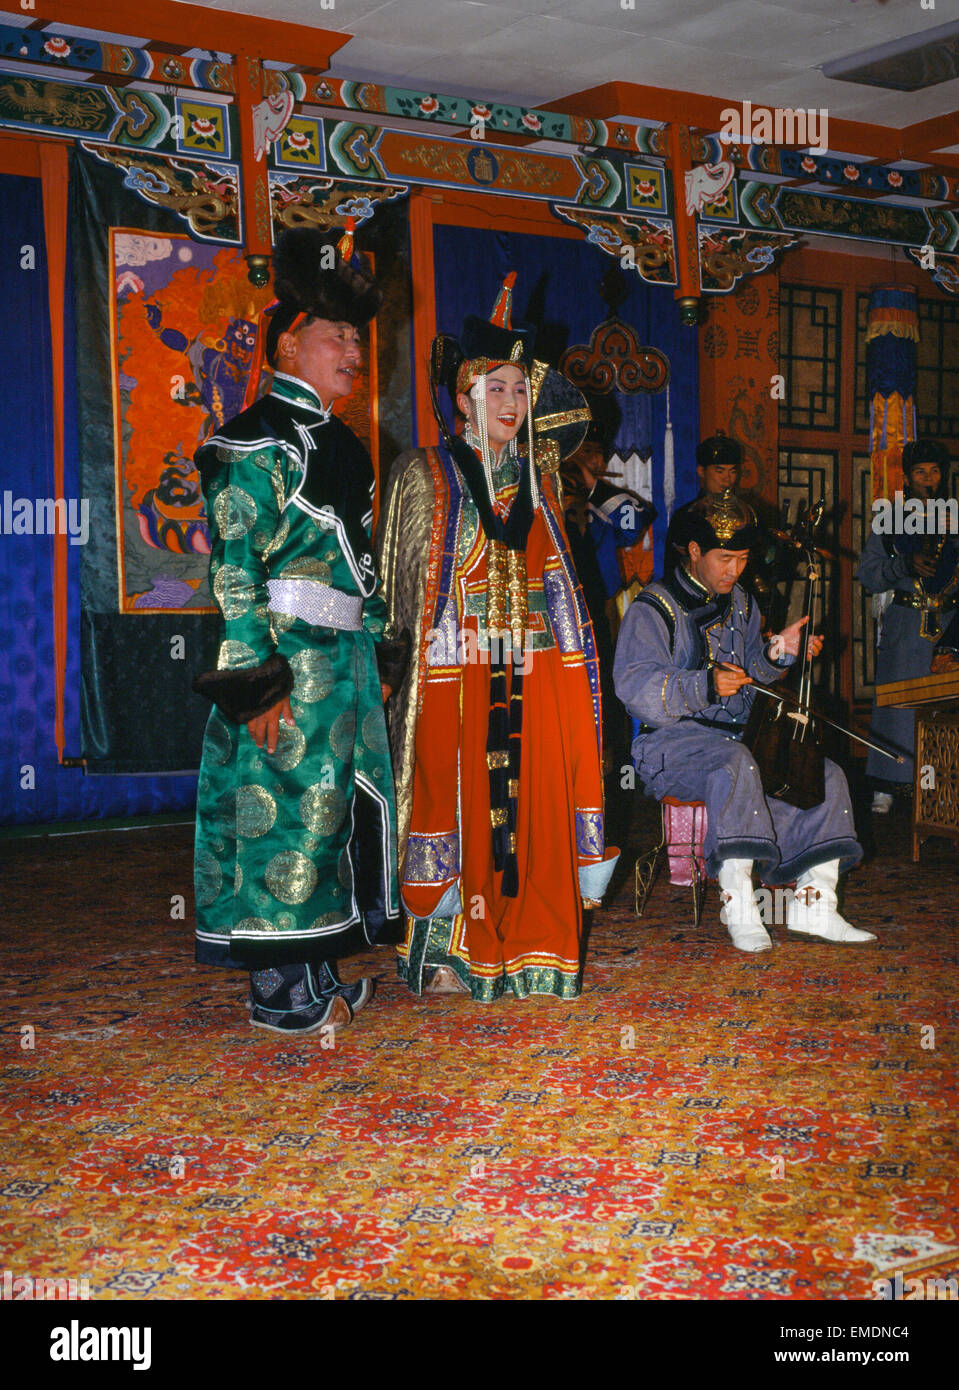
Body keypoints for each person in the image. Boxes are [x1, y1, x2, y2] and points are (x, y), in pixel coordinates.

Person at [375, 274, 618, 1000]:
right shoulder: (425, 474)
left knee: (531, 809)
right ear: (462, 395)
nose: (511, 405)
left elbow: (563, 592)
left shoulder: (541, 484)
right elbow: (405, 588)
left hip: (534, 672)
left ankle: (535, 946)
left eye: (519, 391)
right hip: (456, 670)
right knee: (457, 805)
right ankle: (448, 947)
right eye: (496, 388)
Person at [191, 226, 406, 1034]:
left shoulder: (346, 443)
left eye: (357, 334)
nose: (353, 349)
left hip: (344, 660)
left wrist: (380, 647)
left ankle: (315, 964)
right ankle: (278, 991)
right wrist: (256, 685)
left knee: (330, 819)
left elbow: (366, 561)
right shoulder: (255, 440)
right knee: (281, 814)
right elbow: (235, 572)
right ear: (289, 343)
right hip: (287, 657)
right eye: (335, 335)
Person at [613, 490, 872, 953]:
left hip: (739, 739)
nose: (735, 570)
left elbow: (756, 670)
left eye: (743, 559)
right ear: (694, 552)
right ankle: (739, 907)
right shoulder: (652, 608)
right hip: (670, 745)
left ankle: (816, 905)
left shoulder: (743, 603)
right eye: (724, 558)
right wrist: (705, 686)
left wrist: (780, 652)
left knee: (823, 772)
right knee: (736, 764)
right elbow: (634, 689)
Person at [856, 439, 958, 812]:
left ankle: (941, 786)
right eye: (920, 473)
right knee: (897, 705)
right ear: (907, 477)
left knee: (941, 708)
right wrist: (903, 565)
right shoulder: (890, 518)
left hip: (947, 624)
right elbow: (867, 575)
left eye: (934, 472)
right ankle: (885, 782)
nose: (928, 479)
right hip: (905, 623)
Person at [666, 431, 778, 621]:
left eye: (733, 471)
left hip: (741, 605)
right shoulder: (687, 517)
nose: (727, 479)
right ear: (701, 471)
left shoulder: (747, 515)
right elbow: (672, 569)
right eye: (719, 471)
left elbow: (763, 562)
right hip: (695, 608)